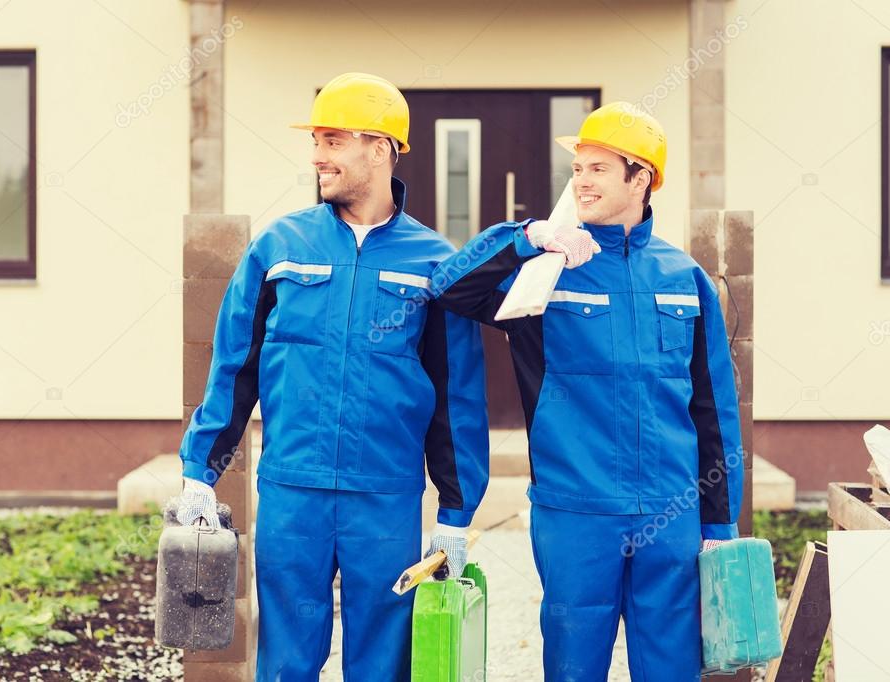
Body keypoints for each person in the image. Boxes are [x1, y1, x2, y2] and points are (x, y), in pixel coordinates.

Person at [176, 72, 490, 681]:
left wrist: (455, 510)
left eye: (333, 139)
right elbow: (235, 366)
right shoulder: (280, 246)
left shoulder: (432, 262)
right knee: (287, 659)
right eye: (315, 139)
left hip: (386, 495)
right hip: (295, 488)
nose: (317, 155)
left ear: (381, 149)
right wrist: (199, 471)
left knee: (382, 664)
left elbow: (456, 398)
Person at [433, 101, 743, 681]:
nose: (581, 181)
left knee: (672, 670)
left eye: (598, 168)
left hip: (671, 510)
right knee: (574, 669)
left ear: (641, 178)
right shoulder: (545, 273)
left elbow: (713, 408)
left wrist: (721, 528)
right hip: (574, 512)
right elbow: (450, 289)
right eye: (577, 169)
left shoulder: (685, 279)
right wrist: (527, 237)